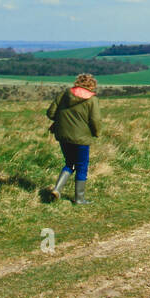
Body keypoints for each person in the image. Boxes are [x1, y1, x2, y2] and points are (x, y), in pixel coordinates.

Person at [45, 73, 101, 204]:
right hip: (82, 138)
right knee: (82, 166)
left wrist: (63, 121)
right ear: (92, 85)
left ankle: (57, 190)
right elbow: (95, 120)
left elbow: (51, 113)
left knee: (70, 163)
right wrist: (96, 133)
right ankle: (79, 198)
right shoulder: (92, 100)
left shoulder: (65, 94)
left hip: (63, 135)